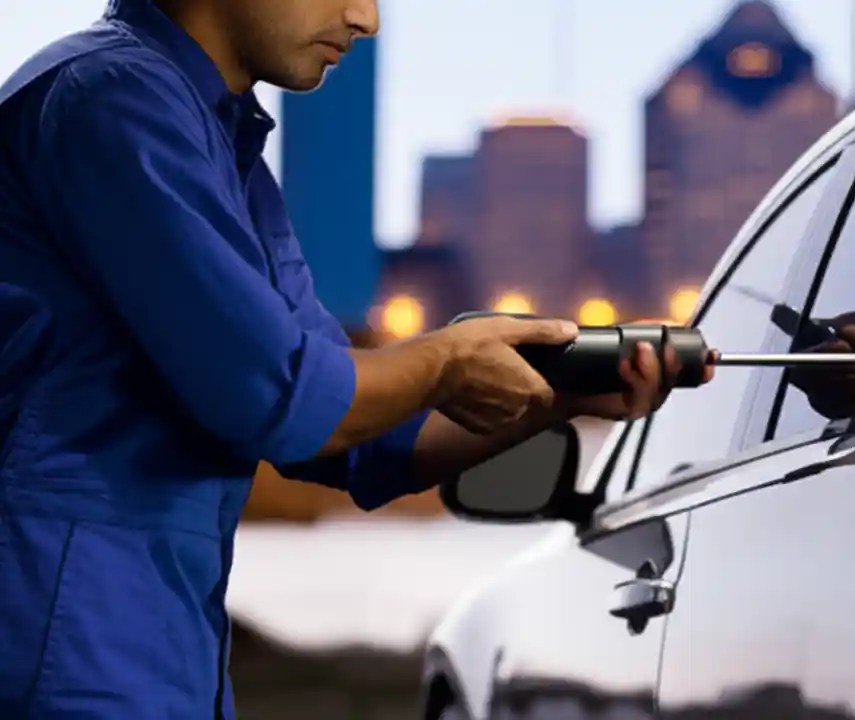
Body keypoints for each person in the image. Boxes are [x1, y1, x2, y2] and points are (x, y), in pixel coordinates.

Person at [0, 0, 711, 716]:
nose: (365, 18)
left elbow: (361, 441)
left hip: (151, 652)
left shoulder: (220, 146)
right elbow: (286, 398)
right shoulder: (110, 100)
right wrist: (446, 357)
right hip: (56, 652)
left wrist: (560, 395)